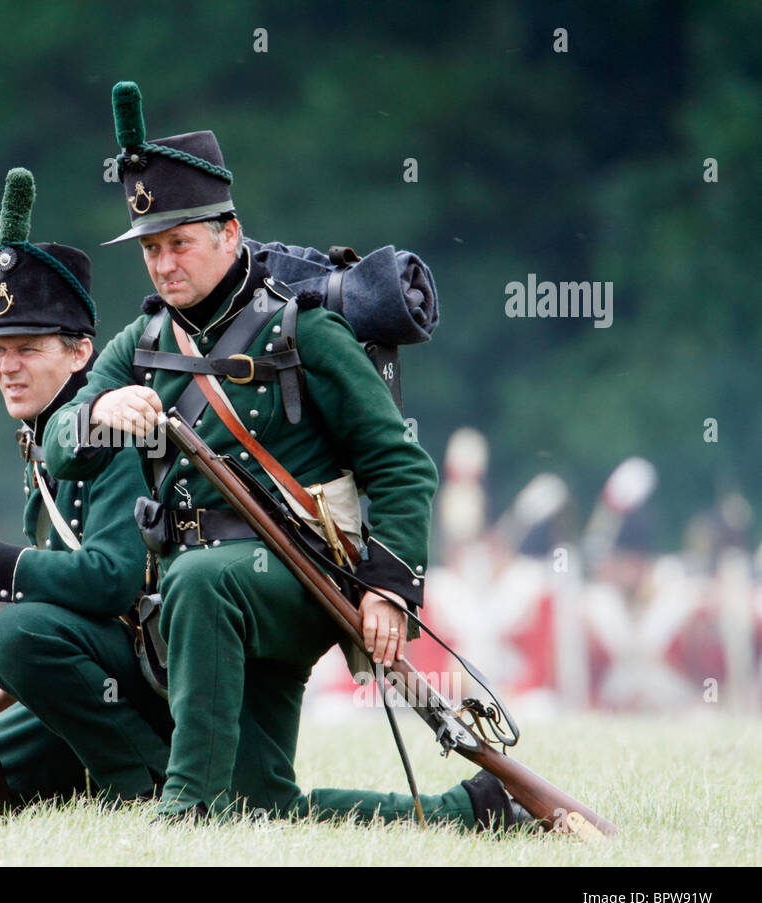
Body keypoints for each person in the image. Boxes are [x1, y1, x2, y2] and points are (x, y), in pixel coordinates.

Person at [42, 82, 531, 830]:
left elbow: (399, 464)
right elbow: (57, 445)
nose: (163, 264)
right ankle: (468, 813)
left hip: (298, 579)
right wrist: (96, 413)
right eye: (149, 249)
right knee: (262, 807)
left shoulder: (303, 333)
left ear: (229, 234)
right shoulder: (138, 346)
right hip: (198, 606)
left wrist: (389, 587)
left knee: (204, 582)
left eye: (179, 243)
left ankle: (183, 814)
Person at [0, 169, 174, 818]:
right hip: (98, 672)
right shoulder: (41, 434)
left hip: (148, 674)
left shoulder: (103, 426)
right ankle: (96, 762)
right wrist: (28, 687)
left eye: (26, 348)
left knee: (16, 634)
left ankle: (146, 784)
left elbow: (113, 580)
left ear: (81, 351)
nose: (7, 366)